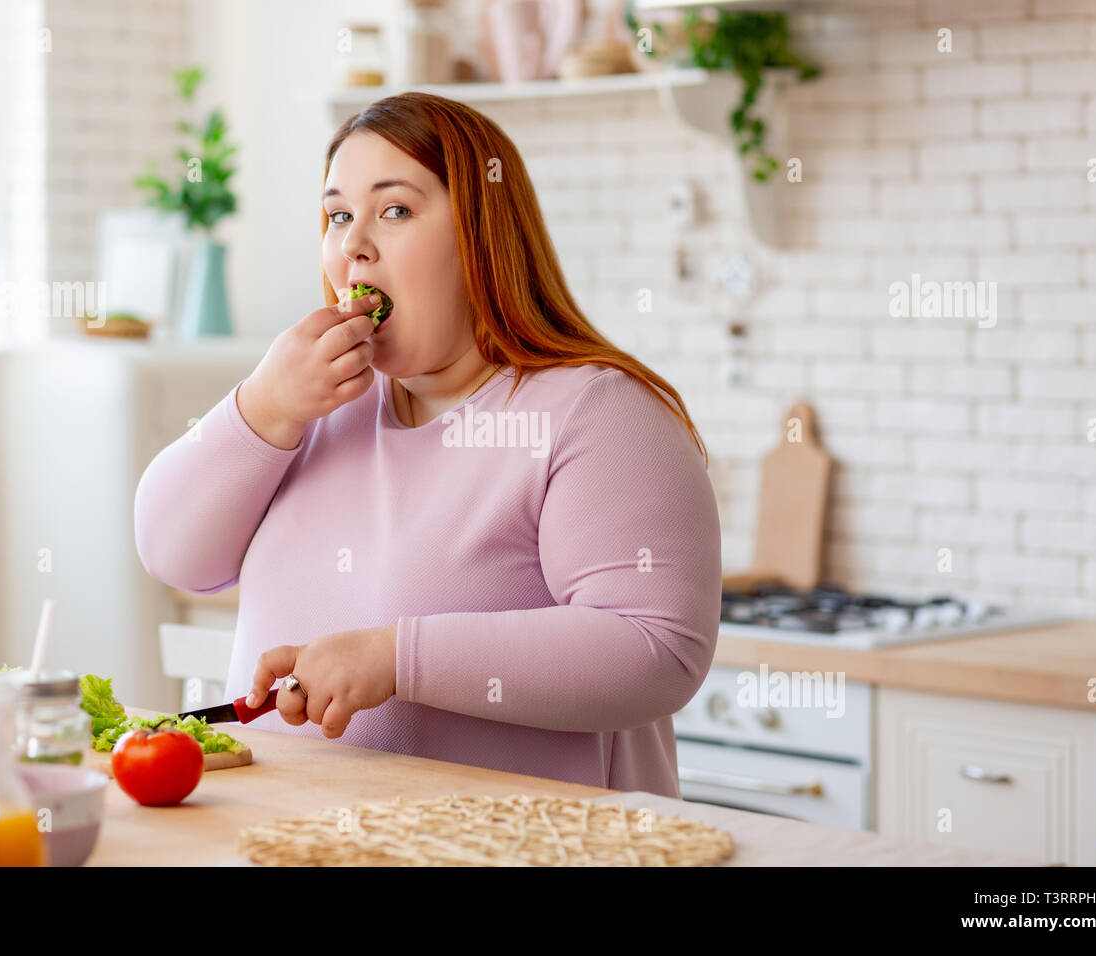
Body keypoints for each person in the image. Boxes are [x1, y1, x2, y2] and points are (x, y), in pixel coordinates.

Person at [134, 92, 721, 798]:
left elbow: (655, 650)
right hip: (287, 840)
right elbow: (170, 554)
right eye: (339, 216)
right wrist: (261, 406)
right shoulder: (312, 404)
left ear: (480, 237)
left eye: (395, 210)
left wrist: (396, 659)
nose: (353, 244)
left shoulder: (596, 412)